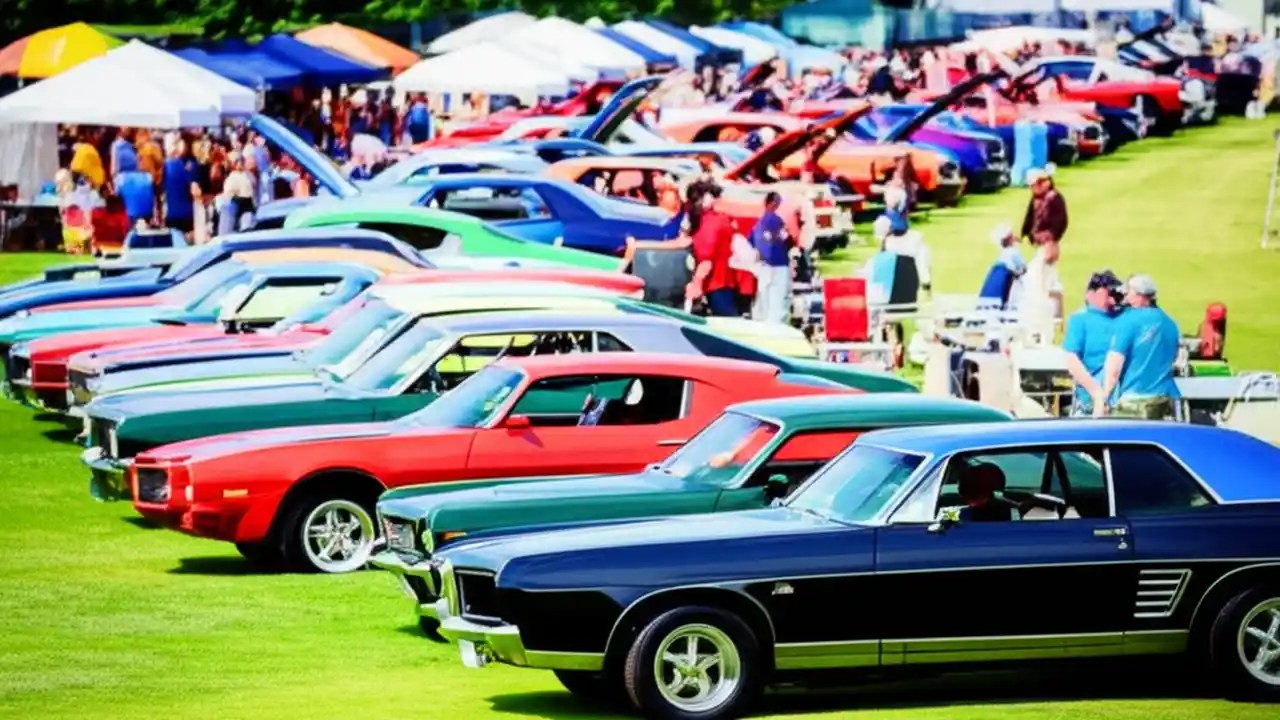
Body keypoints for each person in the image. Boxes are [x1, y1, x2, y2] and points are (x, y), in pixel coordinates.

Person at [1098, 274, 1182, 419]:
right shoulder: (1170, 323)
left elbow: (1114, 365)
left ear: (1140, 296)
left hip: (1136, 402)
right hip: (1166, 400)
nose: (1125, 295)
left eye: (1129, 292)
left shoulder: (1127, 322)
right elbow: (1173, 358)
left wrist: (1103, 399)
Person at [1062, 270, 1123, 416]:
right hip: (1091, 397)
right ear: (1091, 294)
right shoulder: (1080, 319)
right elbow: (1071, 360)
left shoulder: (1125, 318)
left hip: (1122, 396)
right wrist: (1096, 393)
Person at [686, 187, 738, 316]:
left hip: (715, 283)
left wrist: (697, 283)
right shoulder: (720, 220)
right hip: (723, 280)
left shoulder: (707, 223)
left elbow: (706, 259)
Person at [749, 192, 792, 323]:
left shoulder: (758, 224)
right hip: (779, 265)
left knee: (763, 301)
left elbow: (750, 243)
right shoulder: (777, 221)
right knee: (778, 304)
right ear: (774, 204)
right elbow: (787, 240)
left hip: (763, 266)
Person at [162, 139, 200, 235]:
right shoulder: (191, 165)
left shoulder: (165, 166)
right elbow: (195, 192)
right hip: (187, 214)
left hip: (171, 214)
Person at [115, 162, 155, 229]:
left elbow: (118, 195)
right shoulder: (148, 176)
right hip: (147, 213)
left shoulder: (121, 177)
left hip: (129, 215)